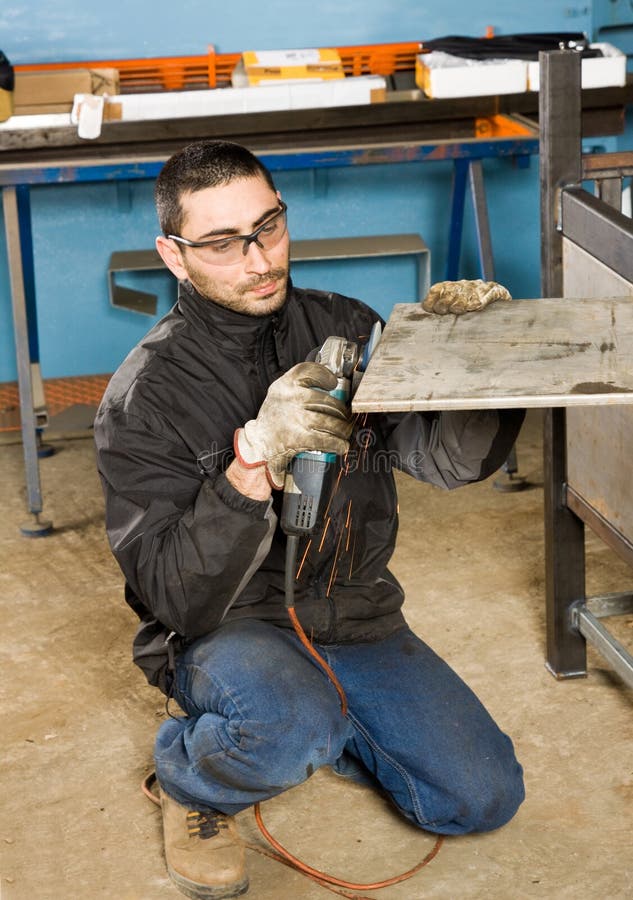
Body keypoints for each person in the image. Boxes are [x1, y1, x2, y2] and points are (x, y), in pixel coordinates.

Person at [94, 139, 525, 900]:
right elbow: (176, 599)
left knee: (479, 798)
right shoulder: (144, 399)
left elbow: (448, 462)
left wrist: (474, 367)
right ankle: (191, 779)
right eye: (223, 244)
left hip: (356, 614)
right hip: (230, 626)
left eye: (269, 228)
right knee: (291, 725)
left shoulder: (347, 328)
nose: (258, 259)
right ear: (173, 253)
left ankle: (319, 720)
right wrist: (251, 461)